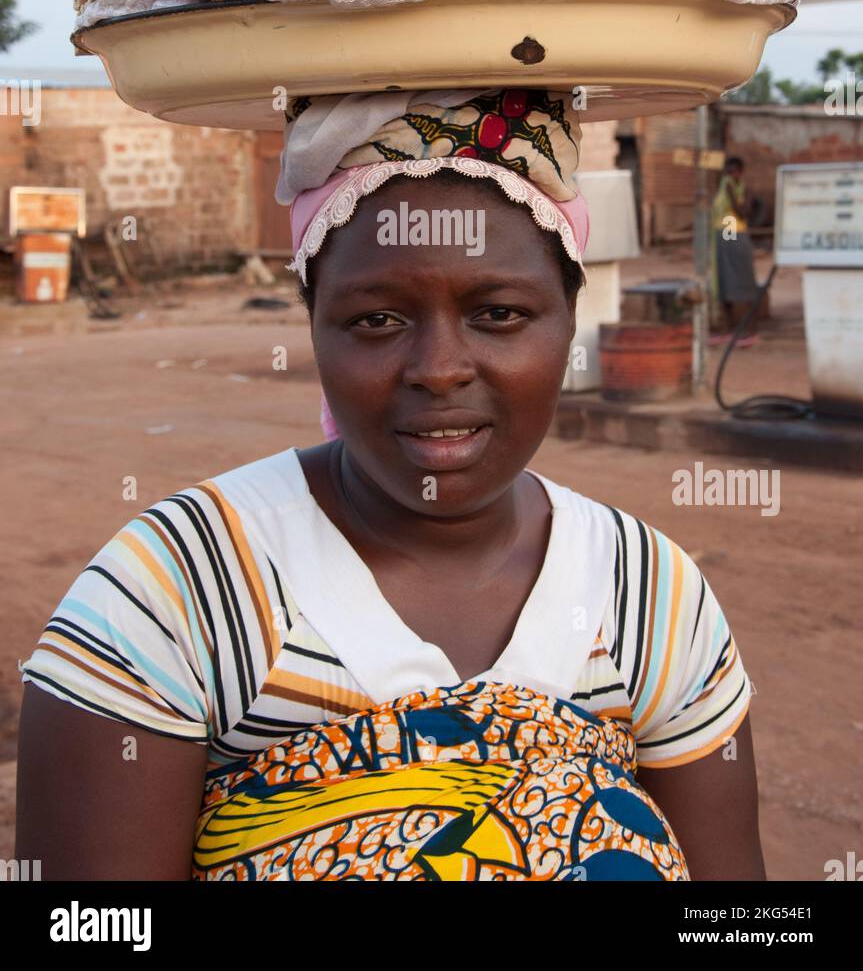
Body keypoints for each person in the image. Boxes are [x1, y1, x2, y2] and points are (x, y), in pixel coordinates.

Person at [15, 88, 764, 882]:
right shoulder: (175, 591)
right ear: (312, 326)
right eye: (377, 320)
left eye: (499, 313)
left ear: (569, 321)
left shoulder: (650, 595)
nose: (439, 369)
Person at [709, 155, 760, 347]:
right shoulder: (729, 186)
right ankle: (730, 329)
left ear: (740, 172)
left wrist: (747, 201)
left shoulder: (735, 187)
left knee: (738, 278)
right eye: (728, 171)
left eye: (733, 171)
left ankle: (749, 329)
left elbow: (741, 212)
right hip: (724, 233)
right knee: (724, 282)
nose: (729, 175)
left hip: (731, 233)